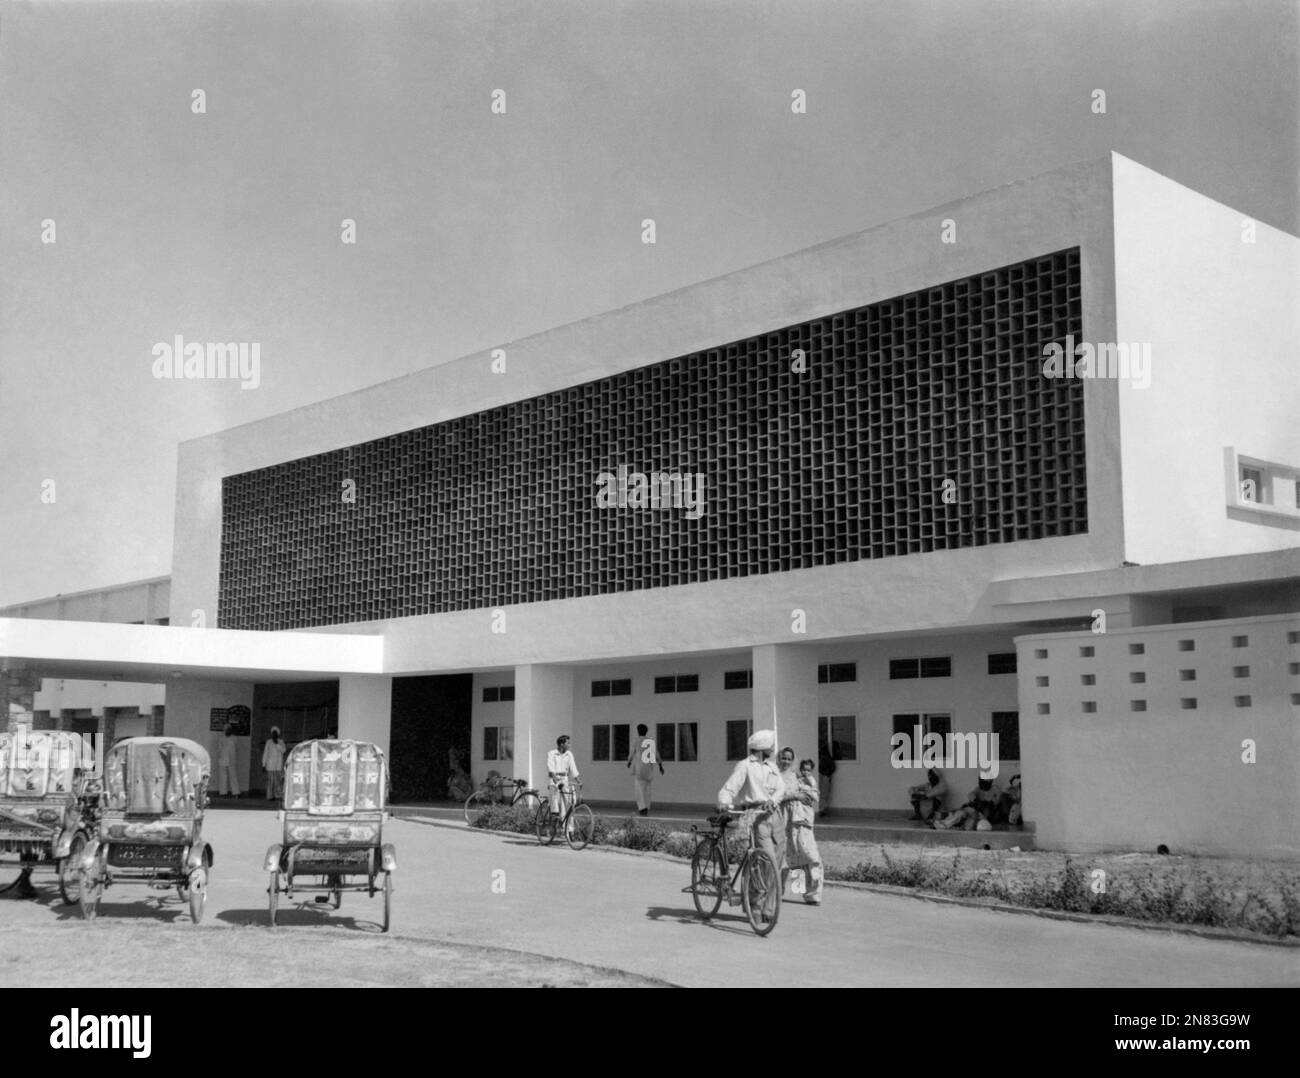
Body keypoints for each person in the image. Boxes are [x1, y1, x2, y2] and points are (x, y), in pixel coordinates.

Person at [717, 729, 785, 872]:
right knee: (767, 858)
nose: (773, 749)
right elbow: (730, 787)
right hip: (756, 816)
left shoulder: (772, 766)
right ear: (763, 747)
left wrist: (772, 800)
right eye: (771, 746)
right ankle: (757, 893)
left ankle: (772, 894)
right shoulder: (745, 765)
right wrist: (724, 802)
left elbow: (781, 788)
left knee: (778, 857)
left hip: (774, 814)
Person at [787, 759, 824, 904]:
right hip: (792, 822)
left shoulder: (811, 782)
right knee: (795, 857)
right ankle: (801, 890)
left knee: (811, 856)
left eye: (808, 770)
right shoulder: (794, 780)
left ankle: (815, 893)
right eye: (804, 769)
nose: (805, 772)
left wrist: (807, 787)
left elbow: (814, 797)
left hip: (805, 823)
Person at [933, 776, 1003, 830]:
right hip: (974, 811)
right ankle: (945, 823)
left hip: (983, 815)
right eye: (980, 780)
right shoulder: (978, 789)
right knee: (961, 813)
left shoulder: (995, 789)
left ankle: (945, 824)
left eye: (983, 781)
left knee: (964, 816)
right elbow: (971, 795)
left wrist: (983, 804)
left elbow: (995, 803)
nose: (981, 783)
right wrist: (975, 800)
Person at [626, 723, 664, 816]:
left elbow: (631, 754)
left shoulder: (636, 741)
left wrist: (629, 762)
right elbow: (656, 754)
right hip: (648, 769)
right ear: (646, 731)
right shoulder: (650, 741)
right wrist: (660, 765)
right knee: (647, 790)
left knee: (639, 790)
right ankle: (646, 807)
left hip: (639, 768)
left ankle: (642, 808)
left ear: (638, 731)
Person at [546, 734, 580, 817]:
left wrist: (578, 780)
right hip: (554, 777)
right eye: (568, 743)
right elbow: (550, 767)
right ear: (562, 744)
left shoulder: (569, 754)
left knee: (568, 803)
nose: (569, 745)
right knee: (554, 794)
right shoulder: (552, 753)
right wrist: (554, 778)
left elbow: (573, 767)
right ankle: (554, 815)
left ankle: (569, 829)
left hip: (565, 778)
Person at [261, 726, 286, 801]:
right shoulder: (268, 742)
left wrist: (277, 744)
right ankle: (270, 796)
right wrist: (263, 764)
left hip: (278, 766)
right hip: (270, 766)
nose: (274, 735)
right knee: (270, 782)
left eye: (275, 734)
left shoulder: (281, 742)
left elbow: (283, 750)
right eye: (273, 734)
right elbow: (265, 753)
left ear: (278, 734)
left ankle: (278, 796)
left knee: (278, 782)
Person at [217, 723, 240, 797]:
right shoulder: (221, 739)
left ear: (231, 730)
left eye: (229, 729)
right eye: (226, 729)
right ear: (224, 730)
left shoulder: (235, 738)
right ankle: (223, 793)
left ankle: (236, 793)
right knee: (223, 777)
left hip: (232, 760)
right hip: (223, 760)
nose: (228, 731)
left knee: (233, 777)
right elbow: (219, 750)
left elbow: (236, 748)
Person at [818, 741, 836, 818]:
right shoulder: (824, 758)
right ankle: (821, 809)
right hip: (824, 776)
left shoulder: (824, 758)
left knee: (823, 794)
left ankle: (822, 809)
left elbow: (832, 767)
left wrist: (826, 774)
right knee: (823, 794)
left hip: (824, 776)